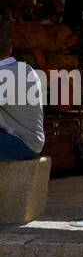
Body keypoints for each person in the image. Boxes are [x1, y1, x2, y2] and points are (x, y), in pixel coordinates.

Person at [0, 21, 44, 161]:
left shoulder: (5, 74)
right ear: (11, 48)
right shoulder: (26, 69)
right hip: (28, 140)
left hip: (22, 142)